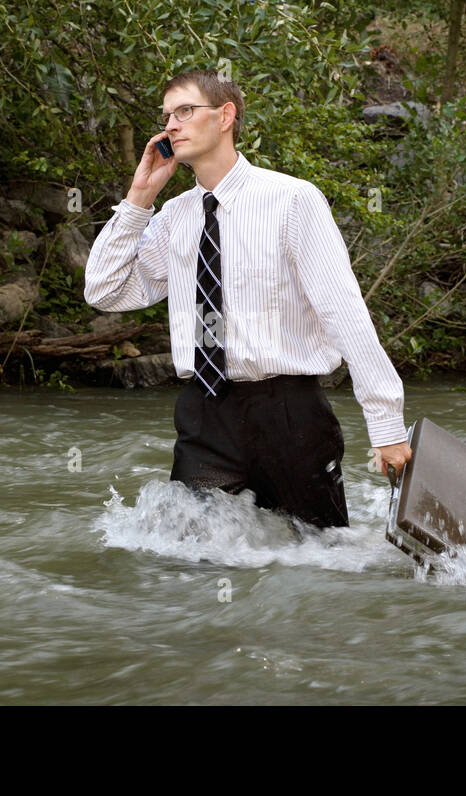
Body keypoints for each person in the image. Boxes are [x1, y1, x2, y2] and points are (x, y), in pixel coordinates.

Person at [84, 69, 411, 529]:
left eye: (184, 111)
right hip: (204, 415)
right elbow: (104, 290)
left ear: (225, 117)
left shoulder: (292, 200)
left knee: (321, 559)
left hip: (290, 415)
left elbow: (344, 312)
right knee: (187, 563)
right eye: (166, 116)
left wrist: (387, 426)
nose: (170, 126)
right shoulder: (175, 217)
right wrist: (140, 198)